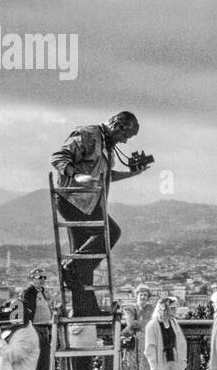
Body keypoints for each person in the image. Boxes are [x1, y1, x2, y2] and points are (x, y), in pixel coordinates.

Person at [50, 111, 151, 316]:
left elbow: (106, 176)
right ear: (117, 125)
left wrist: (133, 173)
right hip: (74, 199)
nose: (124, 141)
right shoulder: (89, 135)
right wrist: (77, 176)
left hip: (88, 202)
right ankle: (71, 267)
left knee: (85, 257)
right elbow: (59, 158)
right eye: (126, 135)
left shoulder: (106, 146)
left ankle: (85, 310)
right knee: (110, 232)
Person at [20, 267, 53, 370]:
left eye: (44, 277)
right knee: (36, 363)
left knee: (44, 363)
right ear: (32, 279)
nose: (42, 280)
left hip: (44, 328)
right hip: (34, 328)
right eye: (39, 278)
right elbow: (25, 311)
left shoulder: (43, 292)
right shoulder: (28, 293)